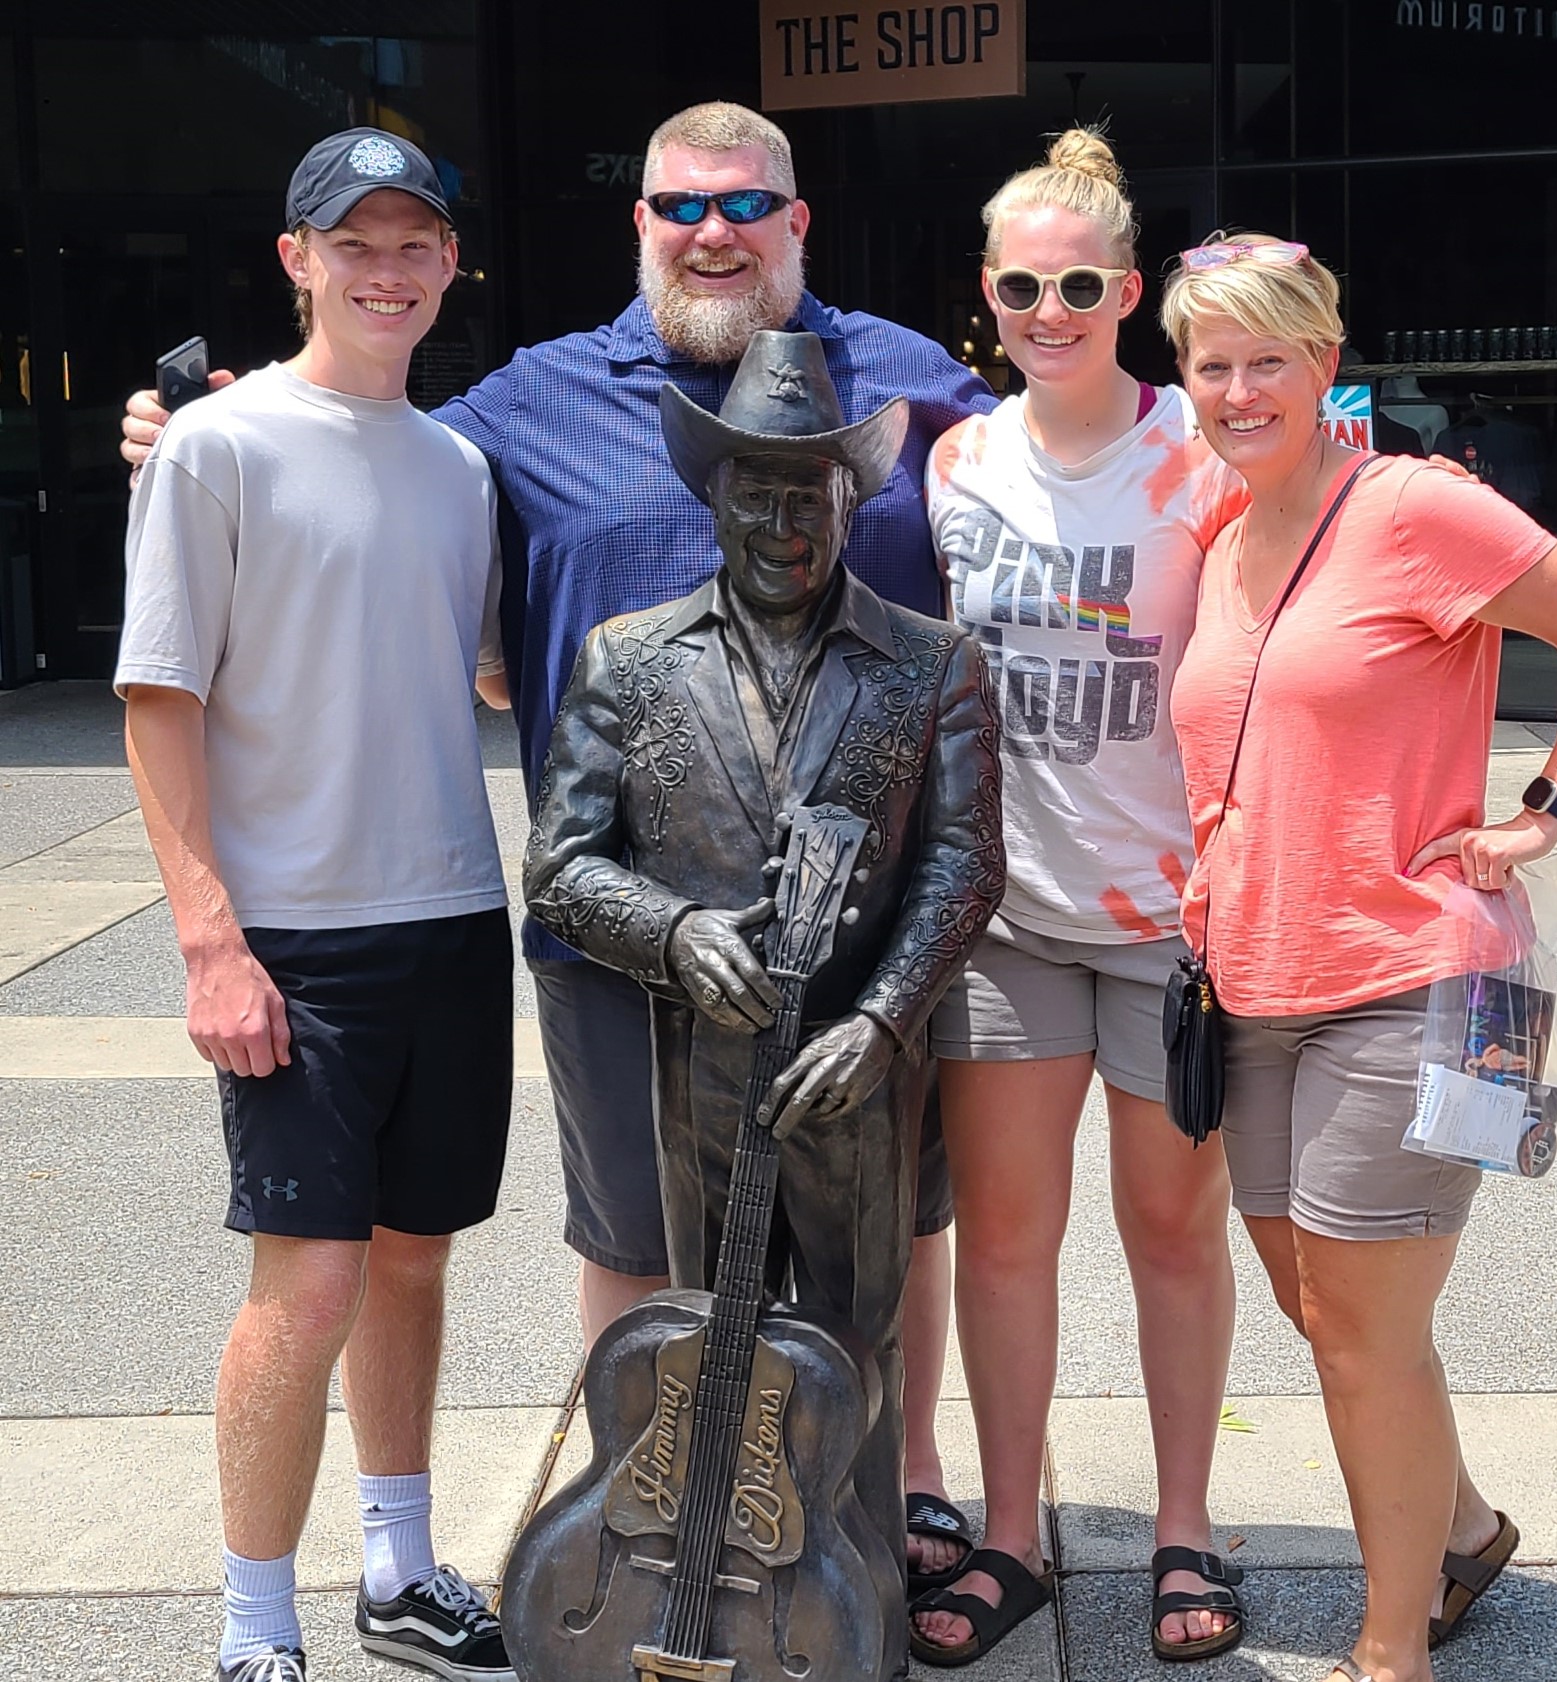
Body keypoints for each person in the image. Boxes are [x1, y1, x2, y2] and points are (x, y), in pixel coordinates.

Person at [121, 102, 993, 1586]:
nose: (709, 229)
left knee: (878, 1230)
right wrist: (211, 422)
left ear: (797, 221)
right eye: (676, 205)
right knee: (632, 1226)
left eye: (742, 202)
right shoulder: (523, 405)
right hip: (617, 928)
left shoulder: (920, 385)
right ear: (637, 223)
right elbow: (355, 449)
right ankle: (647, 1494)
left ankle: (889, 1493)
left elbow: (1075, 468)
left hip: (862, 924)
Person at [1160, 234, 1557, 1682]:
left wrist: (1540, 814)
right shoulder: (1220, 523)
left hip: (1412, 977)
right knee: (1317, 1302)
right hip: (1250, 981)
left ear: (1326, 363)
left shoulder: (1411, 506)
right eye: (1213, 363)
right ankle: (1459, 1524)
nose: (1240, 386)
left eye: (1269, 357)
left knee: (1362, 1330)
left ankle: (1394, 1644)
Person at [513, 329, 1005, 1682]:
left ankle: (851, 1618)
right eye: (756, 492)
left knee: (861, 1346)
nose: (784, 521)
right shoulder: (628, 657)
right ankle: (714, 1604)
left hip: (860, 1077)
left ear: (851, 502)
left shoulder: (933, 662)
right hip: (701, 1075)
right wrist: (670, 932)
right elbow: (559, 867)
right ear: (712, 496)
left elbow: (964, 869)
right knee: (704, 1349)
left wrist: (883, 1019)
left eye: (811, 494)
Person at [116, 131, 516, 1682]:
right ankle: (251, 1620)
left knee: (415, 1256)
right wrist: (209, 939)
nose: (388, 268)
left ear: (446, 267)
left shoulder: (461, 467)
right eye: (356, 242)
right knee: (311, 1279)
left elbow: (478, 670)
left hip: (451, 917)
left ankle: (401, 1566)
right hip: (294, 938)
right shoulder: (219, 449)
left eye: (417, 242)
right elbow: (158, 700)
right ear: (297, 258)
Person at [914, 131, 1248, 1667]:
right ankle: (1005, 1532)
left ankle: (1184, 1524)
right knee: (1001, 1237)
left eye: (1078, 283)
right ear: (988, 295)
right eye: (1020, 284)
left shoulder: (1202, 455)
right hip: (1009, 913)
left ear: (1125, 288)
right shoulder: (957, 459)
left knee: (1171, 1229)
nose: (1049, 308)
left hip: (1173, 919)